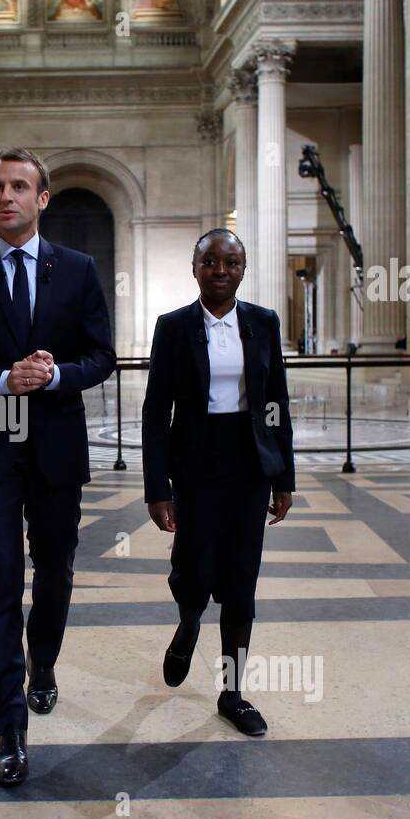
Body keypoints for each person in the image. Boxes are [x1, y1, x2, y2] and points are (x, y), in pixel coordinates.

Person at [0, 147, 115, 786]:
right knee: (1, 580)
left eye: (19, 186)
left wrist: (56, 375)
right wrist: (4, 379)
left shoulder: (79, 270)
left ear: (42, 199)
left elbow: (102, 356)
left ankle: (45, 663)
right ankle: (9, 726)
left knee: (56, 570)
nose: (6, 196)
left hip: (58, 449)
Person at [141, 228, 294, 737]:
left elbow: (276, 403)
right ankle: (188, 623)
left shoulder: (264, 323)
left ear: (243, 269)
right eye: (210, 262)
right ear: (196, 268)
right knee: (193, 569)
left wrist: (283, 475)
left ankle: (232, 692)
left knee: (242, 583)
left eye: (230, 262)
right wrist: (157, 487)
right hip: (196, 467)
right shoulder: (174, 327)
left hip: (250, 465)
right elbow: (155, 410)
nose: (220, 270)